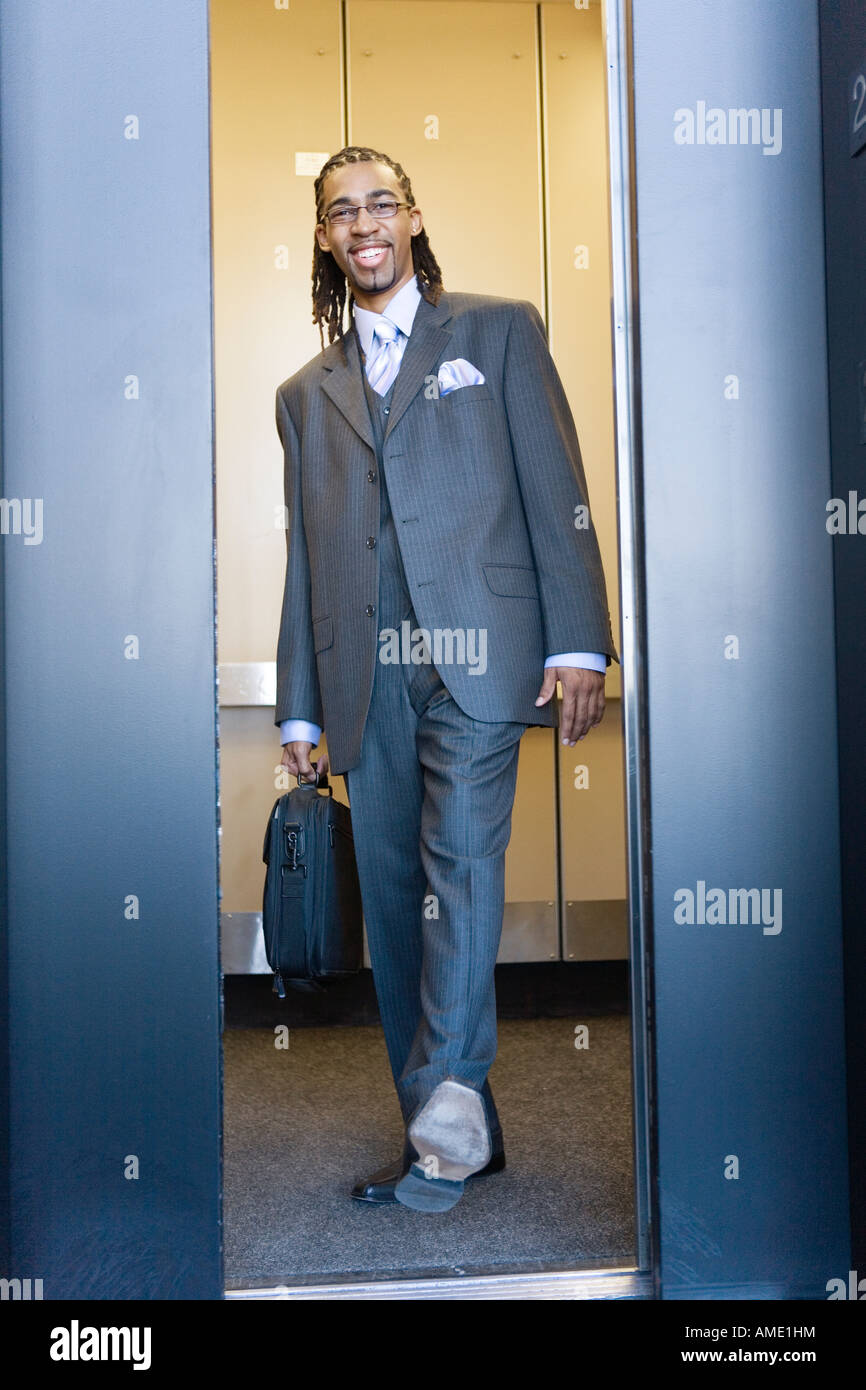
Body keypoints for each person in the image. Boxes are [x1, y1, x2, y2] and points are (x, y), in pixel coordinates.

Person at [275, 145, 619, 1213]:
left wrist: (578, 640)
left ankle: (452, 1107)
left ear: (412, 219)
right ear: (327, 239)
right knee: (390, 898)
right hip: (358, 676)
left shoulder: (497, 328)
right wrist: (296, 703)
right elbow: (306, 553)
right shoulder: (303, 394)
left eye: (381, 202)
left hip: (479, 657)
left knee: (457, 870)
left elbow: (553, 482)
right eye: (342, 211)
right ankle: (441, 1117)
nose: (364, 222)